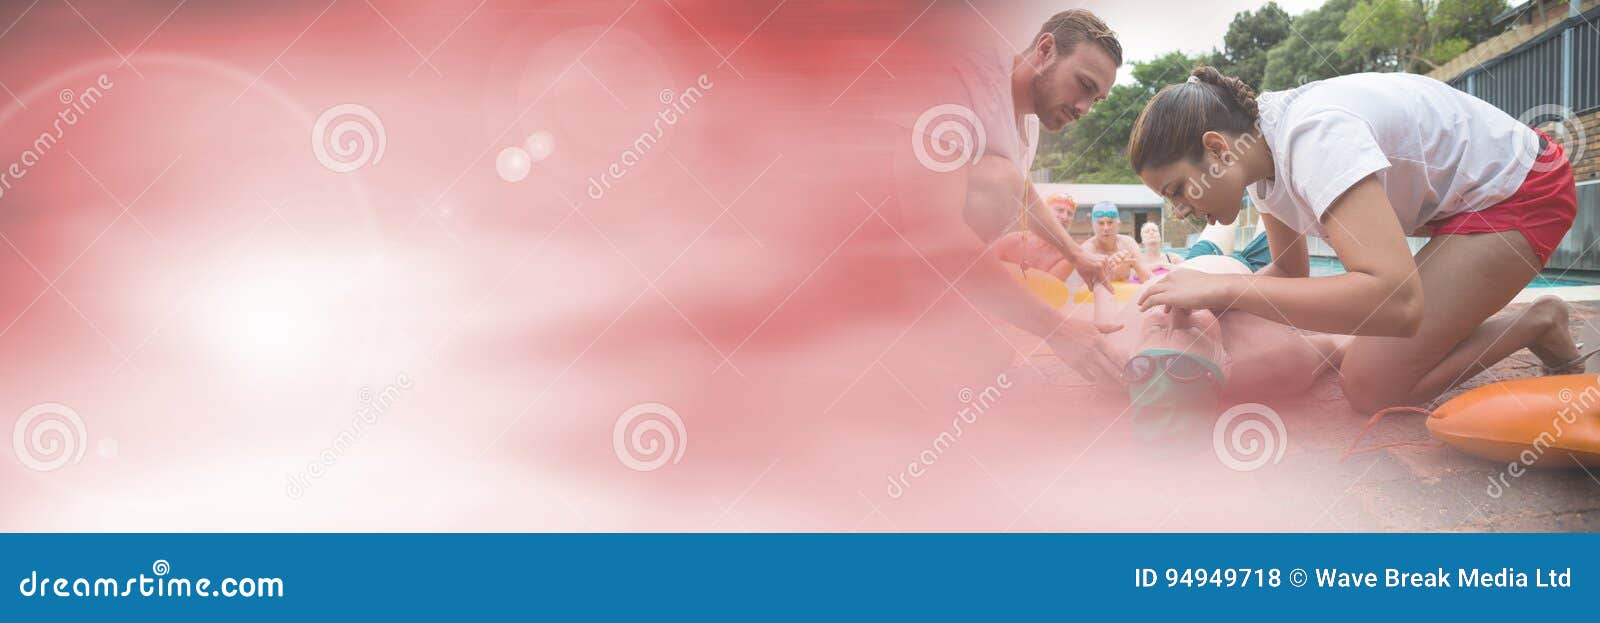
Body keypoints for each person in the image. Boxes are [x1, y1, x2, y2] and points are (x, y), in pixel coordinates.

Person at [1125, 67, 1584, 412]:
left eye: (1178, 190)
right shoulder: (1261, 159)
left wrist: (1225, 287)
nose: (1182, 209)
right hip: (1462, 206)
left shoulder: (1314, 137)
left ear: (1217, 149)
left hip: (1522, 190)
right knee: (1371, 360)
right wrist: (1213, 308)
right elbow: (1290, 271)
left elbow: (1396, 300)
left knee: (1372, 387)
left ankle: (1539, 321)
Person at [893, 9, 1124, 384]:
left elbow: (1023, 193)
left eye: (1095, 100)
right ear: (1046, 49)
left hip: (924, 263)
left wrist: (1077, 255)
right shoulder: (959, 77)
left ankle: (939, 314)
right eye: (1083, 85)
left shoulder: (1028, 120)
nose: (1084, 109)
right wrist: (1057, 330)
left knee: (989, 360)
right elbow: (933, 227)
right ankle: (904, 315)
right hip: (882, 250)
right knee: (1000, 180)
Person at [1083, 202, 1152, 283]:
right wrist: (1109, 269)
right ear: (1093, 226)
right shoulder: (1087, 249)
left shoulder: (1128, 243)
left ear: (1118, 224)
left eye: (1110, 222)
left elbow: (1148, 280)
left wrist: (1134, 262)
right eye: (1101, 223)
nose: (1106, 228)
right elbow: (1088, 286)